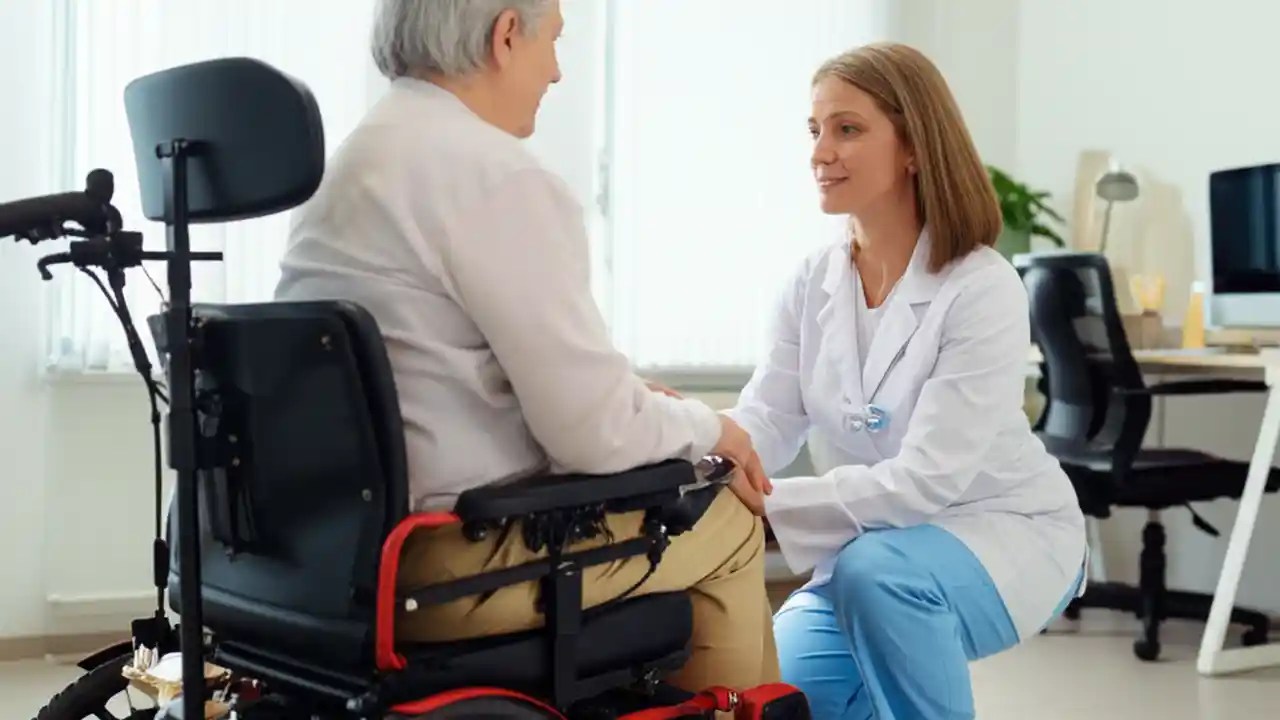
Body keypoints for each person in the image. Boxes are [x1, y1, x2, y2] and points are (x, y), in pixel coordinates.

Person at [273, 0, 778, 691]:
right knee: (726, 521)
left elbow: (443, 366)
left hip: (323, 556)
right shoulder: (496, 175)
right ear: (507, 35)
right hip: (443, 563)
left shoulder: (348, 167)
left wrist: (629, 405)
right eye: (554, 43)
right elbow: (591, 435)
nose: (558, 73)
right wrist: (712, 427)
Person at [725, 43, 1087, 719]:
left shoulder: (981, 286)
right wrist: (699, 457)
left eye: (848, 129)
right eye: (815, 130)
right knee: (782, 699)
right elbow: (767, 419)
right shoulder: (810, 281)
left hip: (1003, 533)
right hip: (874, 551)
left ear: (914, 146)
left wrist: (762, 510)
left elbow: (927, 481)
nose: (819, 152)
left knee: (878, 577)